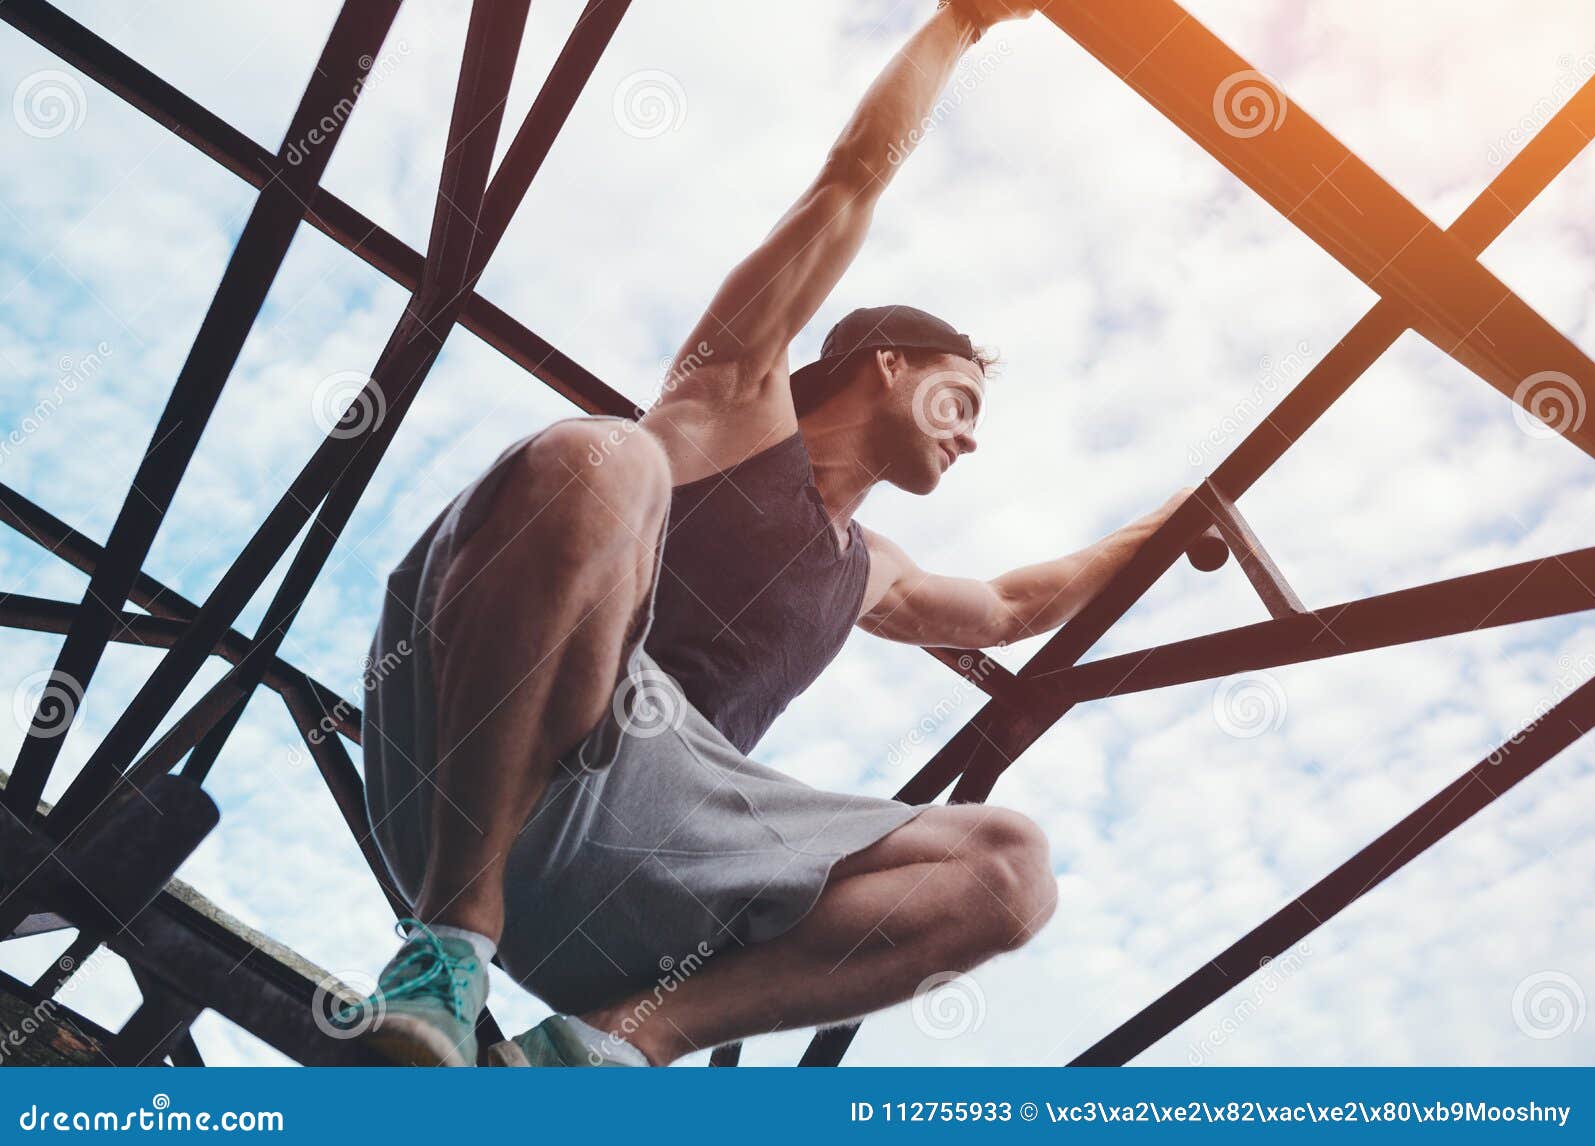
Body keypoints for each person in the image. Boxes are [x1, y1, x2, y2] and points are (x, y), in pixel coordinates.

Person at [358, 0, 1188, 1067]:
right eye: (963, 400)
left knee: (1011, 867)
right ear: (885, 360)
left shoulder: (871, 568)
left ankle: (603, 1050)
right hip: (487, 753)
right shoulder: (734, 402)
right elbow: (850, 181)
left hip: (646, 855)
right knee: (604, 458)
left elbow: (1021, 604)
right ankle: (445, 952)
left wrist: (1180, 514)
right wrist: (960, 25)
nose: (973, 438)